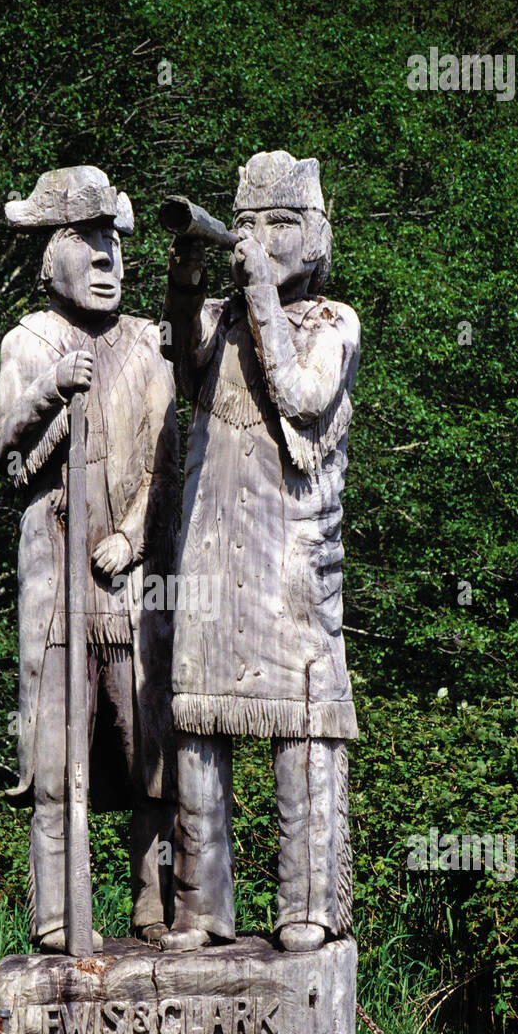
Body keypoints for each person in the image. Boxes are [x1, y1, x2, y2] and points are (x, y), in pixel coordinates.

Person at [160, 150, 360, 953]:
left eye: (280, 223)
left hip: (292, 564)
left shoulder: (333, 322)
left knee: (303, 729)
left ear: (315, 236)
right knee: (198, 728)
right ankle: (201, 907)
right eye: (246, 223)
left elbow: (303, 397)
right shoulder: (220, 320)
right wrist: (185, 277)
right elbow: (178, 357)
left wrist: (261, 299)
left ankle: (305, 903)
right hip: (211, 557)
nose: (260, 239)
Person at [0, 166, 178, 952]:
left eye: (113, 238)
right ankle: (59, 913)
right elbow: (10, 459)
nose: (106, 256)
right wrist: (49, 395)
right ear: (50, 252)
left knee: (150, 746)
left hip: (131, 585)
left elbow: (169, 460)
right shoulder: (28, 340)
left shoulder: (146, 342)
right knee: (55, 751)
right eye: (85, 237)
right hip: (54, 583)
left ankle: (155, 905)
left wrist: (134, 536)